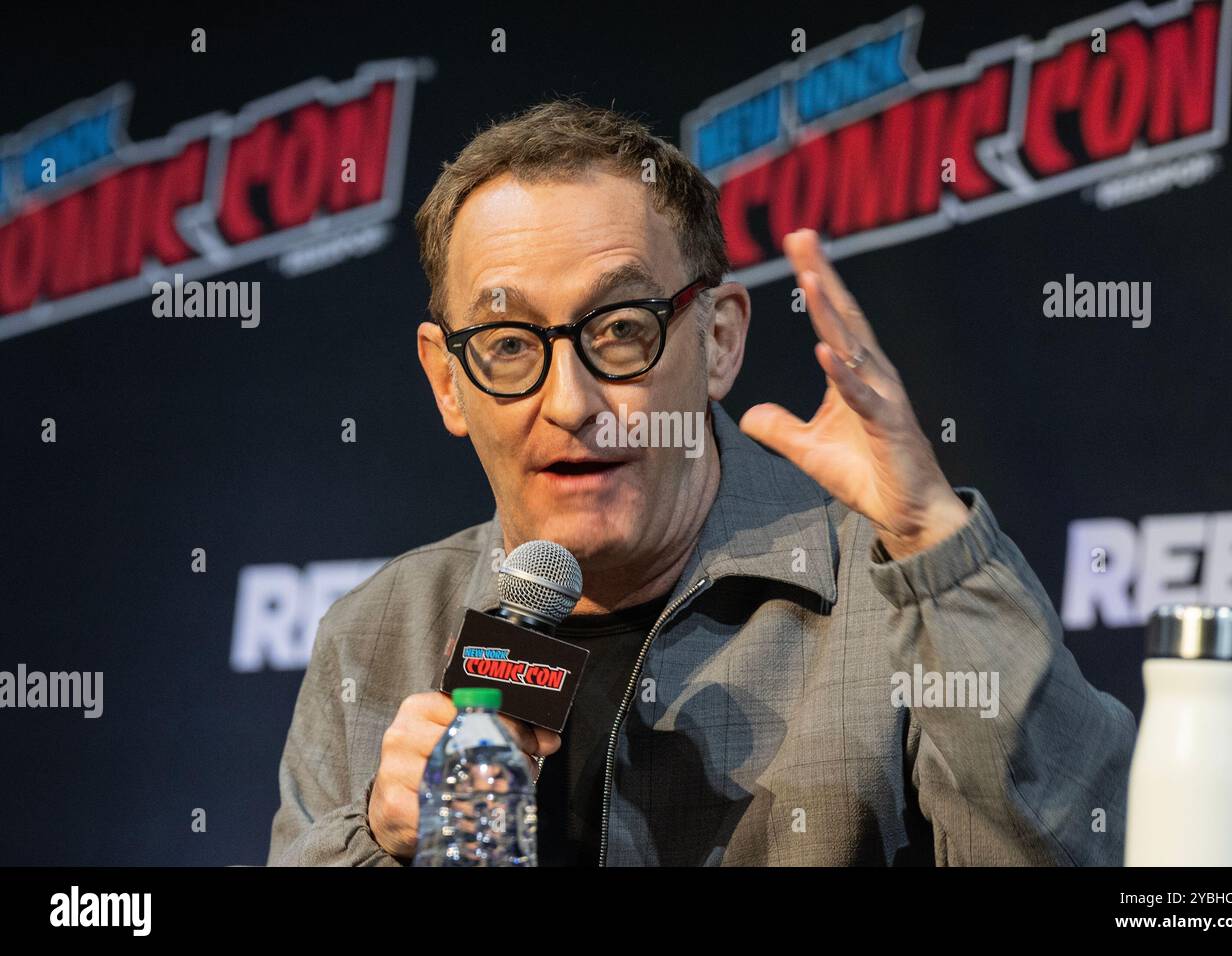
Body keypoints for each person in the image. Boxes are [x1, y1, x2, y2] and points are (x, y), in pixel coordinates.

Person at [266, 100, 1136, 866]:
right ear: (447, 381)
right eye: (507, 345)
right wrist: (385, 849)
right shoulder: (378, 632)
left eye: (619, 329)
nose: (570, 403)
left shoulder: (898, 604)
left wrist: (936, 545)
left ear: (718, 340)